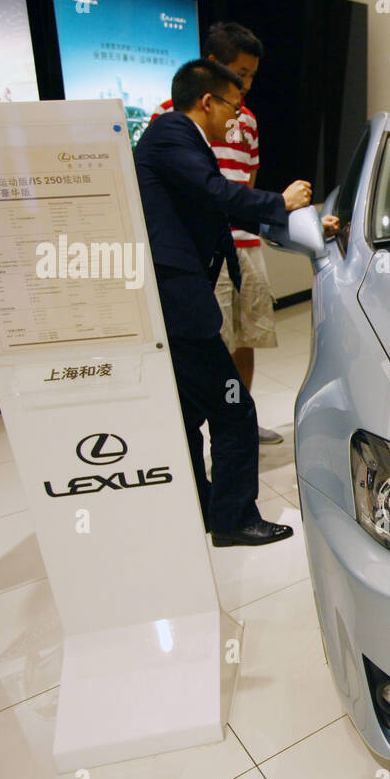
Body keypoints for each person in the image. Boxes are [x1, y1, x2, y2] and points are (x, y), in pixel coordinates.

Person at [135, 58, 311, 546]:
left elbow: (211, 207)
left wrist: (287, 221)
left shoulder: (181, 139)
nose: (236, 118)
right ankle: (234, 518)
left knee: (189, 412)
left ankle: (202, 504)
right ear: (207, 101)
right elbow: (215, 194)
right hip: (179, 300)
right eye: (233, 106)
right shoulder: (172, 131)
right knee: (234, 409)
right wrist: (281, 202)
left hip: (178, 298)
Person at [150, 23, 285, 444]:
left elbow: (246, 178)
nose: (245, 85)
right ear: (214, 69)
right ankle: (217, 427)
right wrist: (280, 204)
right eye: (240, 74)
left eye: (251, 76)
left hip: (245, 242)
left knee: (246, 334)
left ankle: (239, 418)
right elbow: (207, 189)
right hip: (208, 248)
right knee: (215, 337)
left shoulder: (247, 120)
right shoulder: (170, 118)